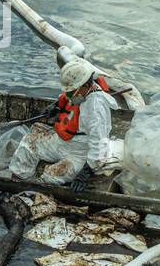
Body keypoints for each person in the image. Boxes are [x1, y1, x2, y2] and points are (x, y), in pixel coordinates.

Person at [10, 59, 119, 191]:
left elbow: (99, 144)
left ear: (83, 86)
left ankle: (35, 191)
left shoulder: (96, 108)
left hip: (79, 154)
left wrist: (84, 174)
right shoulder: (83, 91)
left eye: (71, 91)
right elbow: (67, 99)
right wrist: (55, 106)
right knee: (29, 142)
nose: (67, 94)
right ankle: (18, 182)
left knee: (51, 175)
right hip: (62, 142)